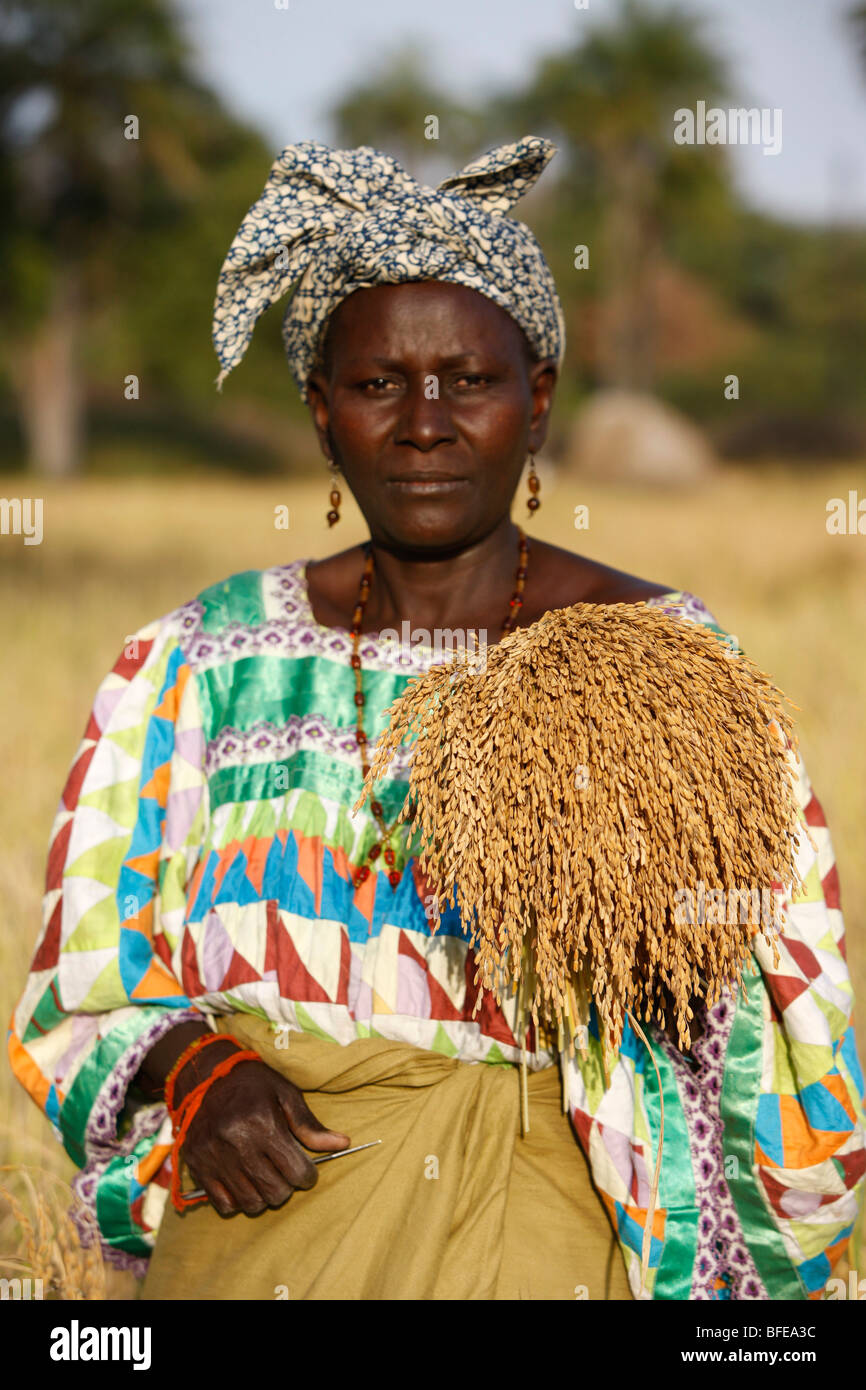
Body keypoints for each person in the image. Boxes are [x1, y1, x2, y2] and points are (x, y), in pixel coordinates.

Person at [9, 137, 864, 1301]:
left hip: (557, 1233)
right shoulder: (197, 662)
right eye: (375, 385)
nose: (424, 422)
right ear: (320, 416)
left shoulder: (665, 659)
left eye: (467, 379)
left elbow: (788, 992)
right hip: (272, 1223)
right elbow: (81, 983)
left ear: (538, 401)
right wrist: (198, 1070)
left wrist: (642, 952)